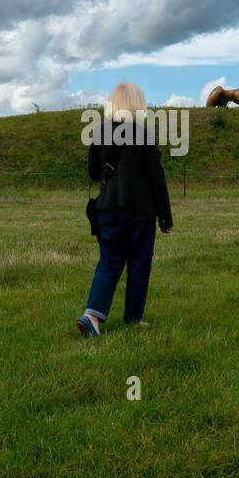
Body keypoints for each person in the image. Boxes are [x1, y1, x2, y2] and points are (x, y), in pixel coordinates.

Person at [76, 82, 173, 338]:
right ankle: (133, 318)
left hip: (108, 208)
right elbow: (157, 178)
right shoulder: (144, 135)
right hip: (141, 211)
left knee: (109, 262)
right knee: (139, 264)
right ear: (137, 104)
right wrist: (165, 217)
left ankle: (92, 316)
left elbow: (94, 174)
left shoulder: (98, 133)